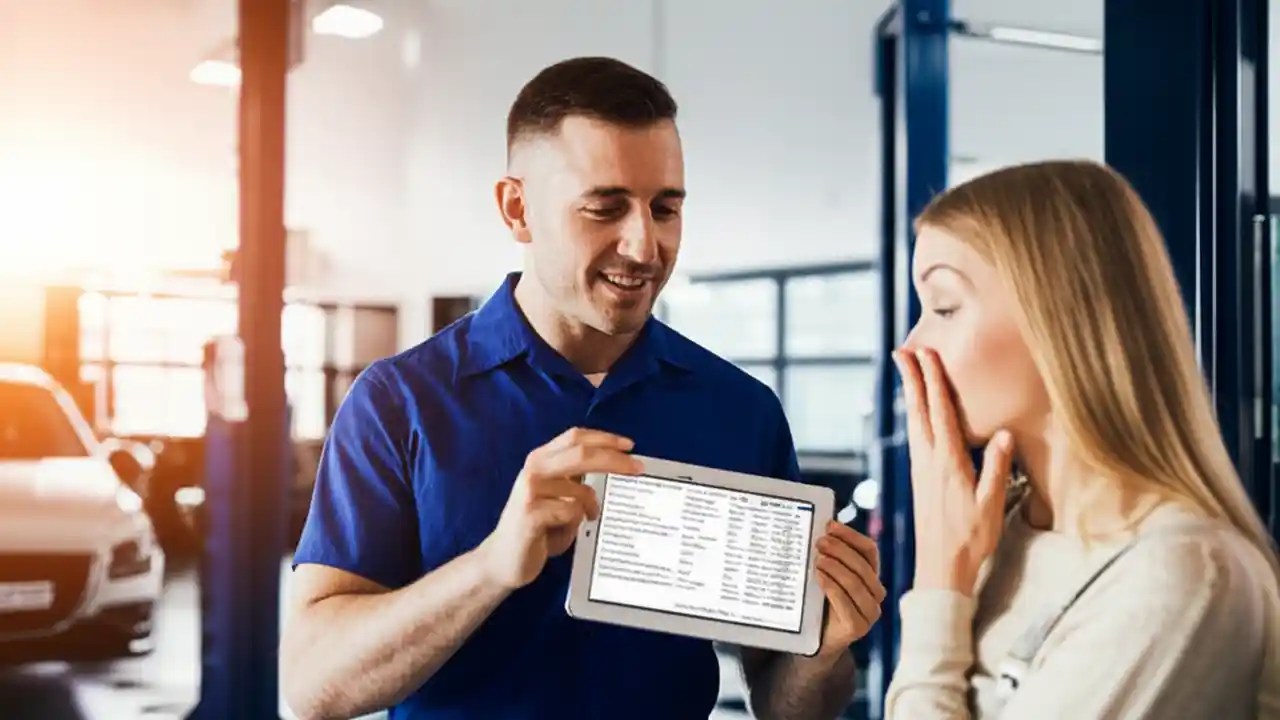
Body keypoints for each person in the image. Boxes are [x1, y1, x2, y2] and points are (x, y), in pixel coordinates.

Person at [280, 56, 885, 720]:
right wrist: (490, 568)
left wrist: (823, 655)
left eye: (665, 209)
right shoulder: (400, 404)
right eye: (605, 208)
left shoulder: (741, 412)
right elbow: (311, 686)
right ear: (518, 209)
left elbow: (785, 704)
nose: (644, 245)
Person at [884, 160, 1280, 719]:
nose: (912, 345)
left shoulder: (1181, 576)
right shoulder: (1003, 533)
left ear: (1059, 318)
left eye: (945, 307)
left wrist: (938, 587)